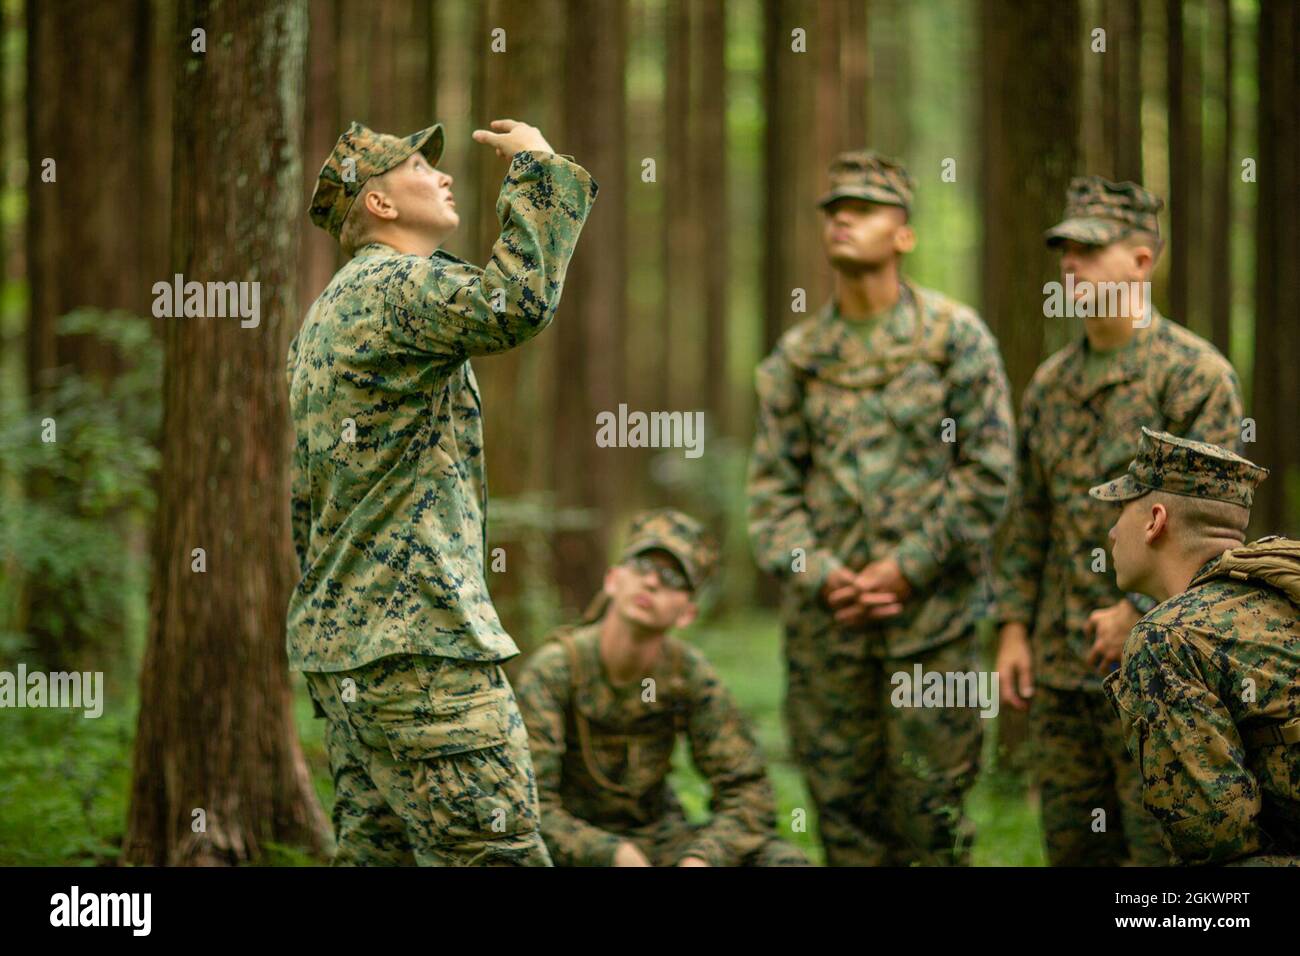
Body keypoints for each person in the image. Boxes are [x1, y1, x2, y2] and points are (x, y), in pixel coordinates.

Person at [285, 118, 598, 865]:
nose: (445, 175)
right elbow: (516, 303)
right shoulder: (396, 287)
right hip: (421, 647)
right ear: (380, 203)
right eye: (421, 168)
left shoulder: (326, 312)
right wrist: (538, 168)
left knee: (378, 858)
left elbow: (308, 501)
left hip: (346, 649)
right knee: (496, 852)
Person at [746, 150, 1015, 865]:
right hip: (828, 635)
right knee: (844, 822)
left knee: (933, 819)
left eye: (863, 209)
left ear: (904, 234)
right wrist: (823, 574)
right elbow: (771, 496)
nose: (842, 220)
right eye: (835, 209)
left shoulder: (953, 339)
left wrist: (906, 567)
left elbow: (988, 473)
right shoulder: (798, 357)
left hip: (933, 628)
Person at [994, 175, 1244, 866]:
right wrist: (1012, 629)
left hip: (1162, 668)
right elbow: (1030, 518)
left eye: (1089, 249)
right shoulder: (1050, 385)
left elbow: (1215, 530)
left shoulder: (1194, 376)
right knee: (1072, 850)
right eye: (1065, 251)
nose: (1071, 265)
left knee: (1159, 864)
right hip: (1062, 666)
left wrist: (1136, 611)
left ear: (1141, 260)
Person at [515, 509, 808, 867]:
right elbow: (528, 804)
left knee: (783, 860)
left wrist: (702, 858)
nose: (652, 583)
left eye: (671, 578)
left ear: (687, 613)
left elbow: (749, 793)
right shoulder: (555, 669)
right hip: (571, 847)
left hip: (661, 842)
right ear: (613, 579)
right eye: (642, 566)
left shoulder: (688, 674)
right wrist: (611, 854)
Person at [1094, 427, 1300, 865]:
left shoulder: (1166, 637)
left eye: (1121, 509)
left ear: (1154, 521)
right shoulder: (1281, 591)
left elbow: (1215, 839)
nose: (1111, 532)